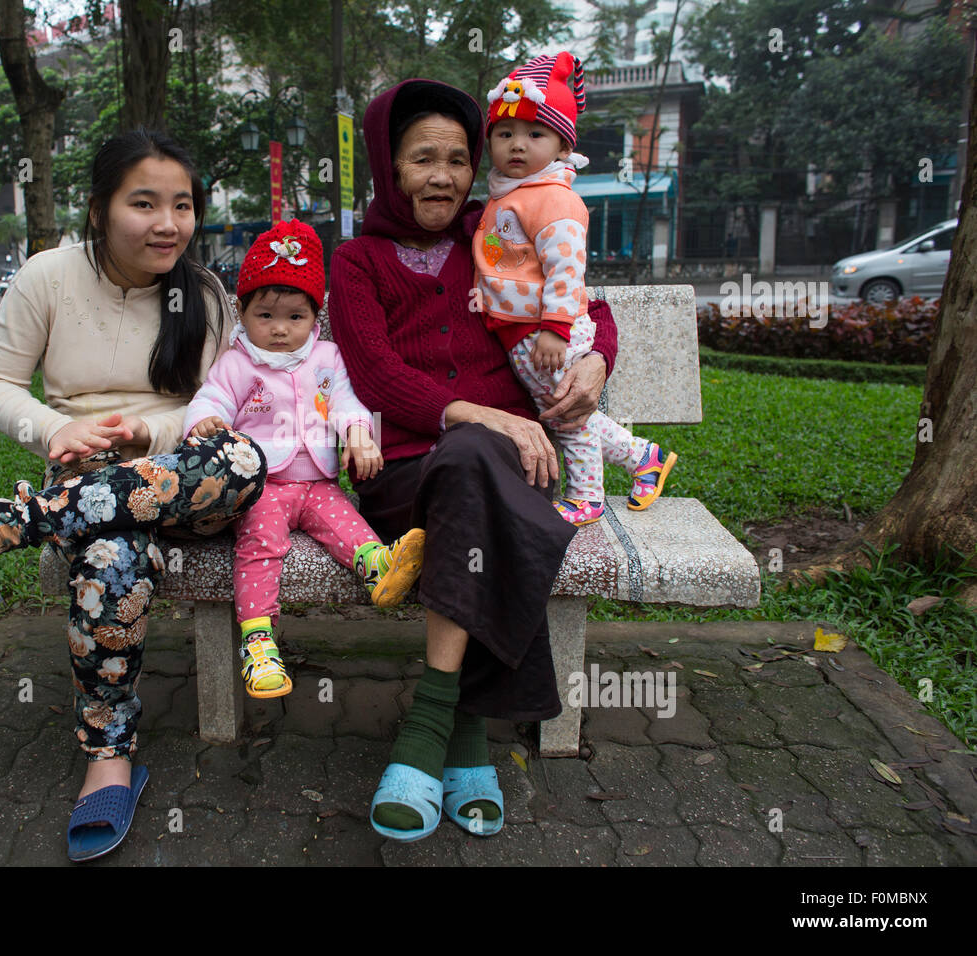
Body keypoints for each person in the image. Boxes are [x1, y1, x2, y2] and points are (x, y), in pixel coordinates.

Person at [0, 129, 268, 861]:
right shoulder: (47, 277)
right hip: (84, 476)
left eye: (182, 205)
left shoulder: (202, 294)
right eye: (144, 203)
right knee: (109, 553)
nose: (168, 223)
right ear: (102, 207)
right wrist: (52, 432)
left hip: (182, 474)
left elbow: (220, 406)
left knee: (243, 458)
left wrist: (150, 429)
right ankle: (109, 755)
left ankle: (5, 523)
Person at [328, 78, 619, 842]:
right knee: (462, 465)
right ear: (388, 167)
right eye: (423, 158)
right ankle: (459, 735)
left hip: (509, 465)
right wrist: (480, 413)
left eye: (459, 158)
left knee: (472, 468)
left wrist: (596, 367)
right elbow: (375, 372)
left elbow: (588, 307)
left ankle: (430, 724)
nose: (444, 176)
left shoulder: (492, 232)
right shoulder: (357, 260)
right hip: (403, 475)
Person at [183, 219, 426, 699]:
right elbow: (209, 399)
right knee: (260, 546)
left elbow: (346, 402)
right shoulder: (236, 364)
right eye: (265, 315)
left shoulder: (327, 357)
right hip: (262, 487)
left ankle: (378, 567)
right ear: (241, 310)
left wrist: (358, 433)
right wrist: (203, 423)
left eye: (295, 317)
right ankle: (258, 643)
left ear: (315, 316)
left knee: (347, 523)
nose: (279, 329)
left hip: (316, 482)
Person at [476, 52, 677, 525]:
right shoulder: (509, 195)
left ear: (563, 147)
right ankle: (644, 457)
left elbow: (567, 271)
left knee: (567, 414)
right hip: (522, 335)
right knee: (562, 409)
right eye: (504, 134)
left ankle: (586, 496)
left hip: (550, 336)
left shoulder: (553, 199)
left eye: (535, 134)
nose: (517, 145)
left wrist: (555, 327)